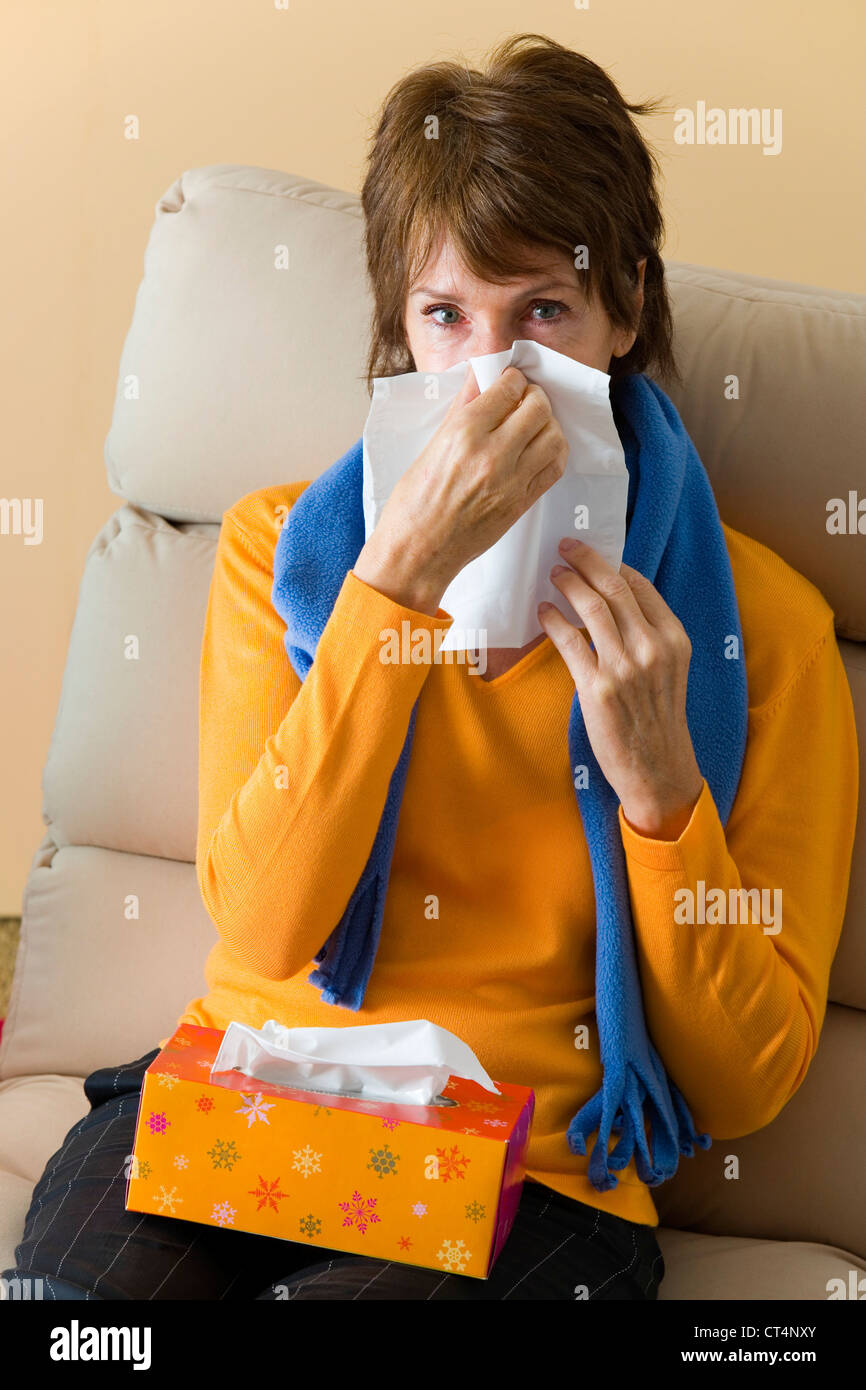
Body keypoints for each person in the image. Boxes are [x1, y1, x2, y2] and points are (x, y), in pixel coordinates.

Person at [4, 33, 857, 1302]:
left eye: (542, 314)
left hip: (538, 1179)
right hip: (250, 1095)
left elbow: (742, 1082)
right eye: (446, 315)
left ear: (623, 308)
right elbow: (268, 922)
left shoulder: (763, 633)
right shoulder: (277, 558)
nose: (491, 374)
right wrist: (388, 592)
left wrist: (662, 796)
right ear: (398, 331)